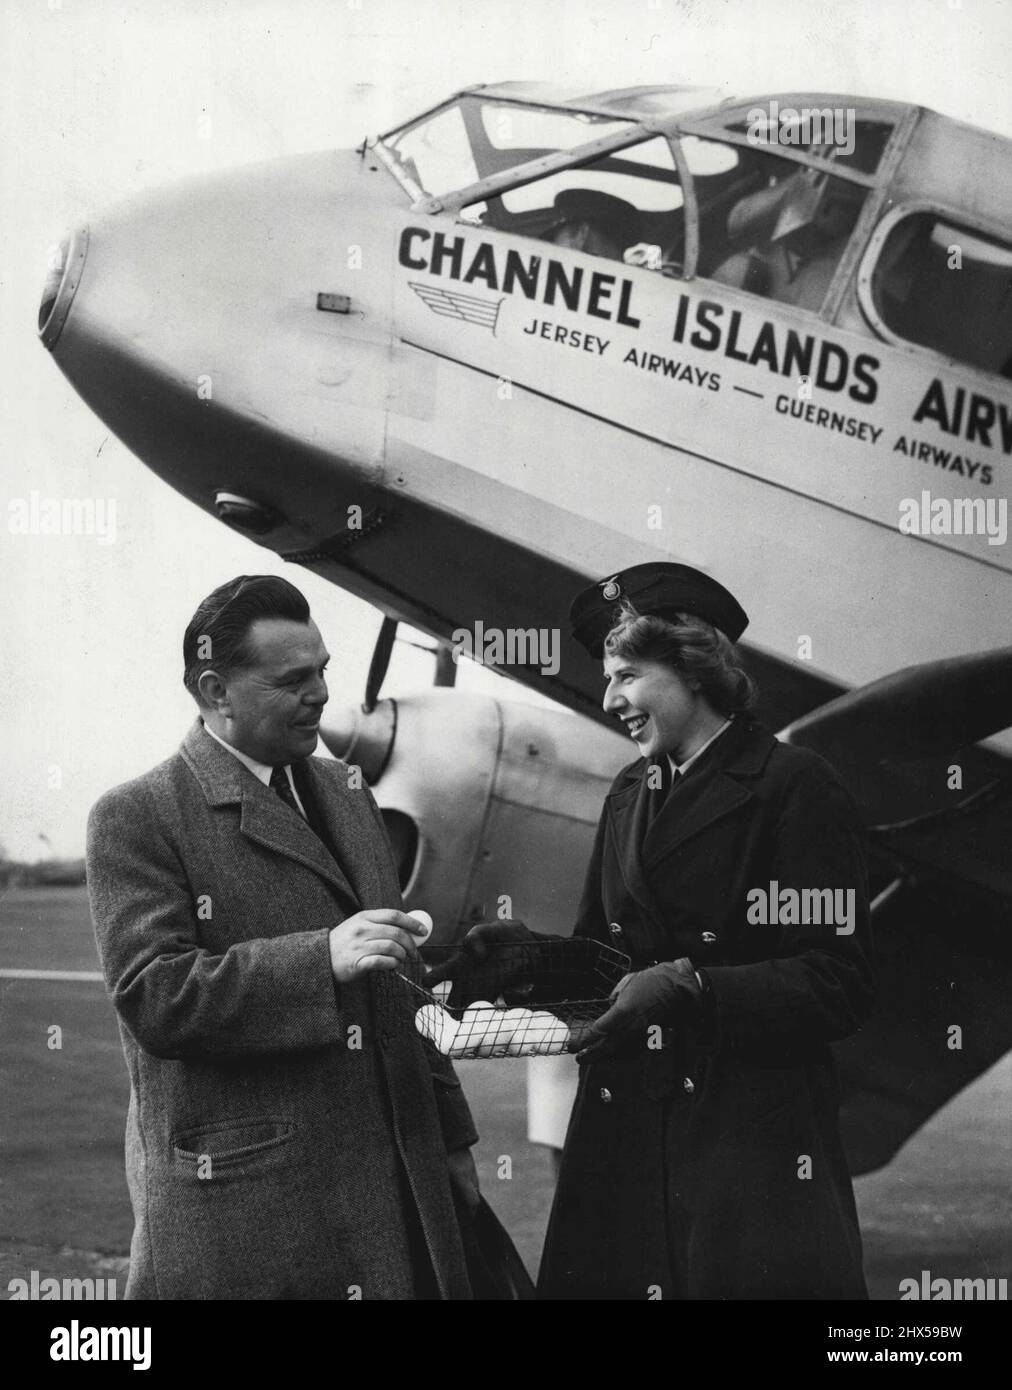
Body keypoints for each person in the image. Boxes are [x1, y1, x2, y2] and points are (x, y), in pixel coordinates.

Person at [441, 562, 875, 1300]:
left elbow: (836, 982)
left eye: (627, 676)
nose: (611, 700)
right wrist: (524, 961)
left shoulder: (792, 785)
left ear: (694, 669)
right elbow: (604, 962)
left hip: (746, 1146)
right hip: (626, 1134)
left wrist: (694, 987)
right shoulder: (627, 793)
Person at [86, 575, 482, 1300]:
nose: (324, 693)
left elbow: (400, 980)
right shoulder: (137, 814)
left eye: (324, 670)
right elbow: (155, 996)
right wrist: (322, 959)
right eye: (294, 679)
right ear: (215, 690)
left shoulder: (350, 792)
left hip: (401, 1187)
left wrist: (452, 1138)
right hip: (258, 1207)